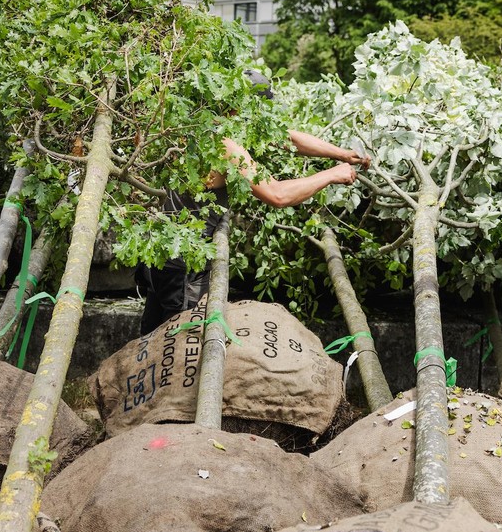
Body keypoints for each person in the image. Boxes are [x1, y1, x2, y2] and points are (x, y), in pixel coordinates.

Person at [136, 70, 369, 336]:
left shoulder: (192, 122)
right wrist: (331, 174)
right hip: (184, 270)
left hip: (157, 254)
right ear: (241, 108)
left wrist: (342, 154)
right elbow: (277, 195)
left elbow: (288, 138)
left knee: (150, 338)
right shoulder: (223, 145)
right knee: (181, 343)